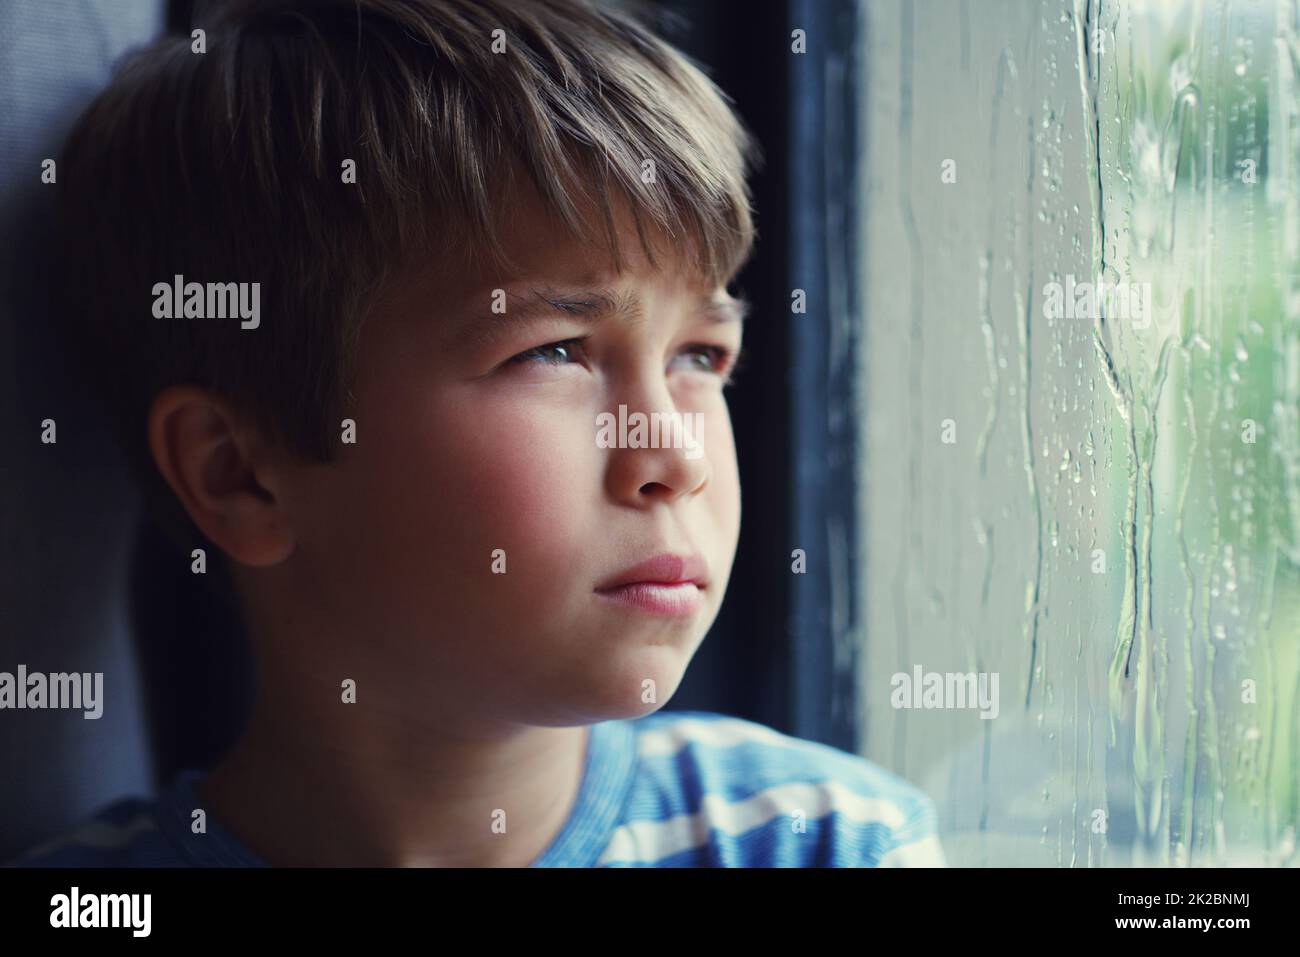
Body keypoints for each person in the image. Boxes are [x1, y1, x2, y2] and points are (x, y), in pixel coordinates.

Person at [9, 0, 943, 867]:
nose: (675, 457)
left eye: (700, 355)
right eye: (556, 352)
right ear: (238, 474)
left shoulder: (827, 842)